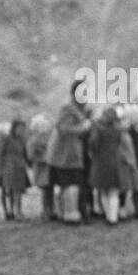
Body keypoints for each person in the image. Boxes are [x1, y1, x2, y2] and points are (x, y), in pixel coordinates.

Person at [48, 80, 93, 223]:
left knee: (73, 184)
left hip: (75, 154)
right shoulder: (68, 109)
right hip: (67, 155)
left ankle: (71, 212)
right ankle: (70, 213)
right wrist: (84, 127)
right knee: (71, 184)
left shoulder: (80, 110)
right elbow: (63, 129)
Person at [0, 119, 31, 220]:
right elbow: (0, 153)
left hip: (19, 166)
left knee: (17, 190)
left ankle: (16, 211)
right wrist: (0, 168)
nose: (21, 130)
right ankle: (8, 211)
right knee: (7, 189)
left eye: (23, 128)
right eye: (20, 128)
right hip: (8, 167)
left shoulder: (22, 139)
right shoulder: (6, 139)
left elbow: (25, 153)